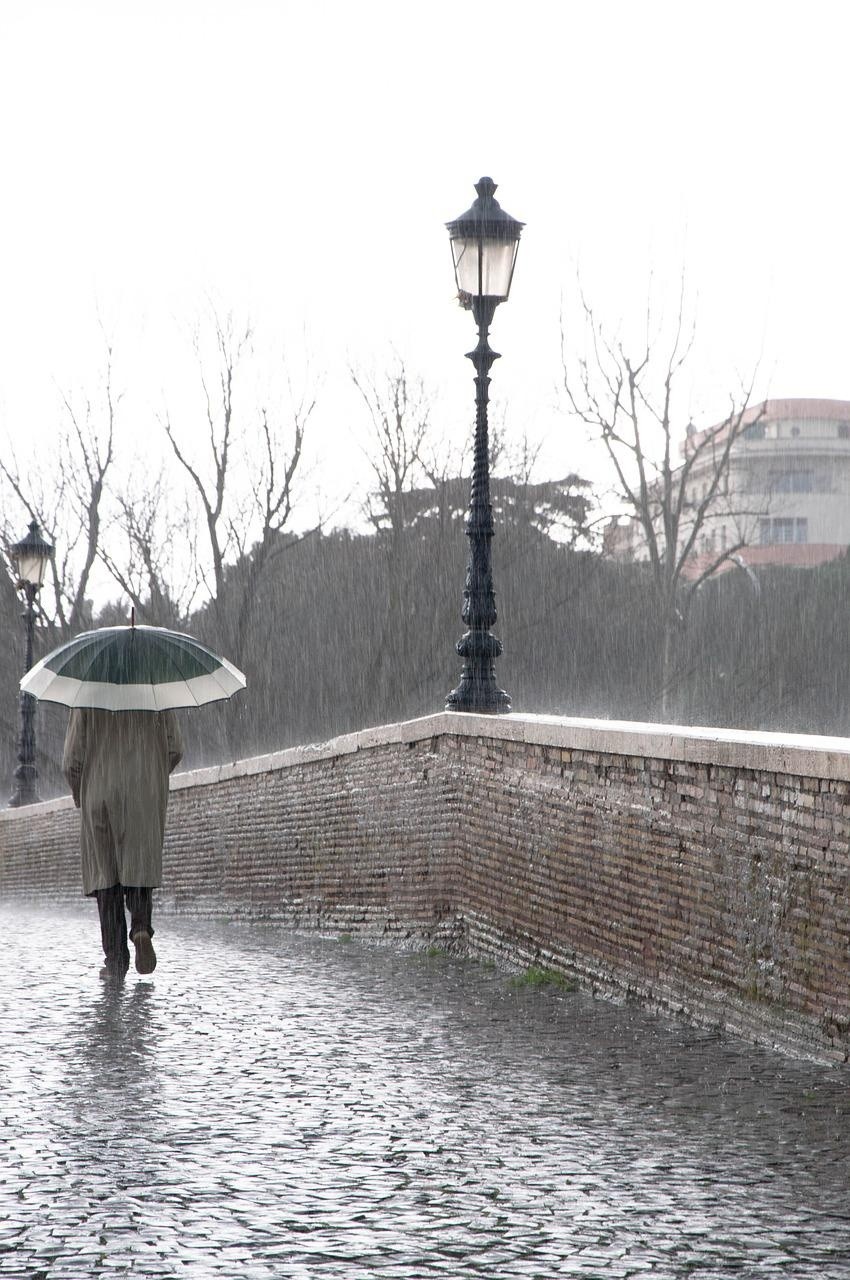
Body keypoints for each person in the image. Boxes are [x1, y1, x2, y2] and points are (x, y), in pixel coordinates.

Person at [62, 708, 184, 977]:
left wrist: (78, 792)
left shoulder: (87, 692)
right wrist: (149, 771)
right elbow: (175, 748)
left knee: (106, 877)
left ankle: (116, 960)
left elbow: (71, 761)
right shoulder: (154, 687)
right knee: (138, 864)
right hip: (143, 790)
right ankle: (140, 926)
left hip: (99, 790)